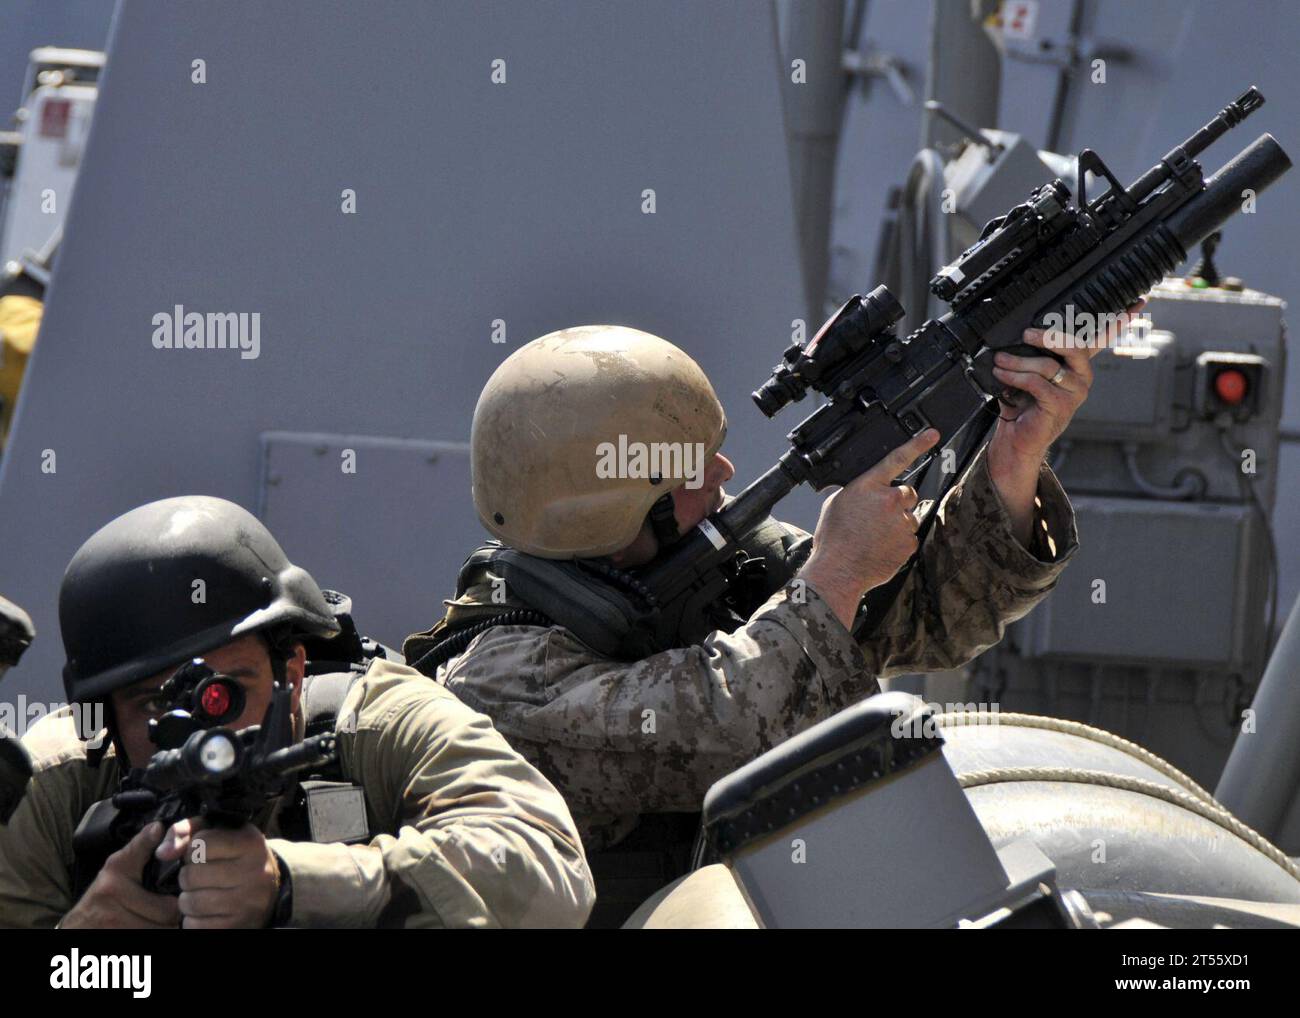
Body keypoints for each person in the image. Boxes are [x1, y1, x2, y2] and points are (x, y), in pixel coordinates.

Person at [405, 312, 1139, 926]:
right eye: (693, 467)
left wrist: (1013, 457)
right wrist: (838, 570)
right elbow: (723, 730)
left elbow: (925, 619)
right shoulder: (499, 681)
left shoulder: (710, 567)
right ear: (617, 507)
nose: (724, 475)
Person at [0, 495, 594, 928]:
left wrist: (292, 884)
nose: (207, 730)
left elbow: (553, 878)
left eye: (225, 691)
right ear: (104, 717)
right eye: (157, 705)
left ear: (292, 669)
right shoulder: (54, 779)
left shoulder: (377, 725)